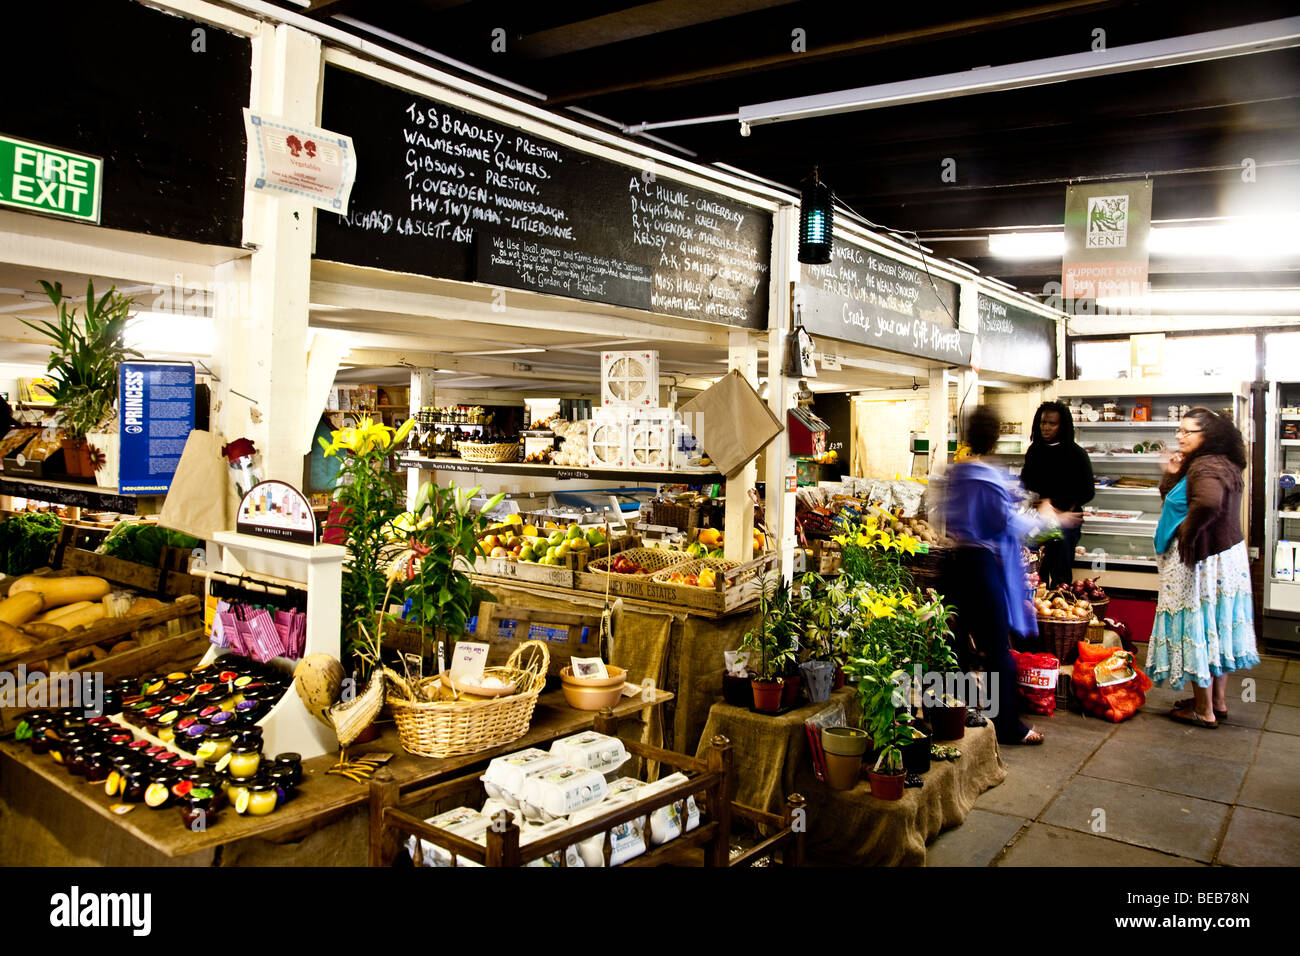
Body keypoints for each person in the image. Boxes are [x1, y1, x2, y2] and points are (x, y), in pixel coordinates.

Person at [941, 405, 1080, 746]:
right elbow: (1007, 524)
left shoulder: (955, 473)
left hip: (955, 562)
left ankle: (949, 715)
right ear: (996, 437)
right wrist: (1053, 519)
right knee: (997, 648)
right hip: (983, 566)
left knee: (955, 645)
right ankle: (1007, 726)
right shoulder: (991, 477)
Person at [1150, 407, 1257, 728]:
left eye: (1187, 432)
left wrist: (1188, 534)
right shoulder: (1223, 461)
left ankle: (1202, 709)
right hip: (1226, 558)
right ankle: (1217, 702)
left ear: (1206, 436)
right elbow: (1179, 500)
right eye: (1179, 430)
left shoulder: (1205, 466)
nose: (1179, 437)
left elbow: (1207, 502)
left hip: (1203, 562)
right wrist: (1171, 474)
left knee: (1196, 626)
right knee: (1215, 626)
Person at [1020, 401, 1094, 590]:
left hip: (1065, 524)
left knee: (1061, 578)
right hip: (1037, 522)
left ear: (1063, 425)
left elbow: (1087, 491)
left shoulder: (1076, 454)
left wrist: (1056, 506)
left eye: (1052, 424)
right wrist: (1038, 503)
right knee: (1035, 575)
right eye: (1043, 422)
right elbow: (1026, 485)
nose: (1045, 428)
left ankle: (1061, 612)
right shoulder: (1034, 452)